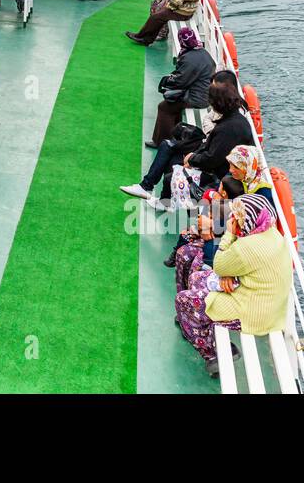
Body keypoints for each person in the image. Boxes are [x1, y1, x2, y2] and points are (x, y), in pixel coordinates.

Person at [174, 194, 292, 376]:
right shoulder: (271, 234)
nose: (232, 219)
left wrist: (229, 233)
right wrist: (226, 273)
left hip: (253, 313)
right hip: (270, 305)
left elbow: (220, 264)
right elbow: (232, 266)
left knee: (183, 300)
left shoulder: (248, 246)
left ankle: (212, 355)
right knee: (197, 278)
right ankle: (199, 322)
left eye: (236, 217)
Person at [121, 76, 254, 206]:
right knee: (170, 151)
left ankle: (162, 198)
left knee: (172, 169)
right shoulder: (231, 120)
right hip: (213, 162)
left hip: (217, 174)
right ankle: (154, 192)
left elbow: (213, 159)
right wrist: (193, 157)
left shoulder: (229, 128)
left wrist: (191, 159)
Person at [148, 27, 215, 147]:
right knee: (174, 103)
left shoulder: (189, 58)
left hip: (197, 98)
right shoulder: (203, 52)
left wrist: (167, 80)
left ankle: (162, 142)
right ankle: (175, 135)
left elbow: (180, 81)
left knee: (164, 107)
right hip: (206, 95)